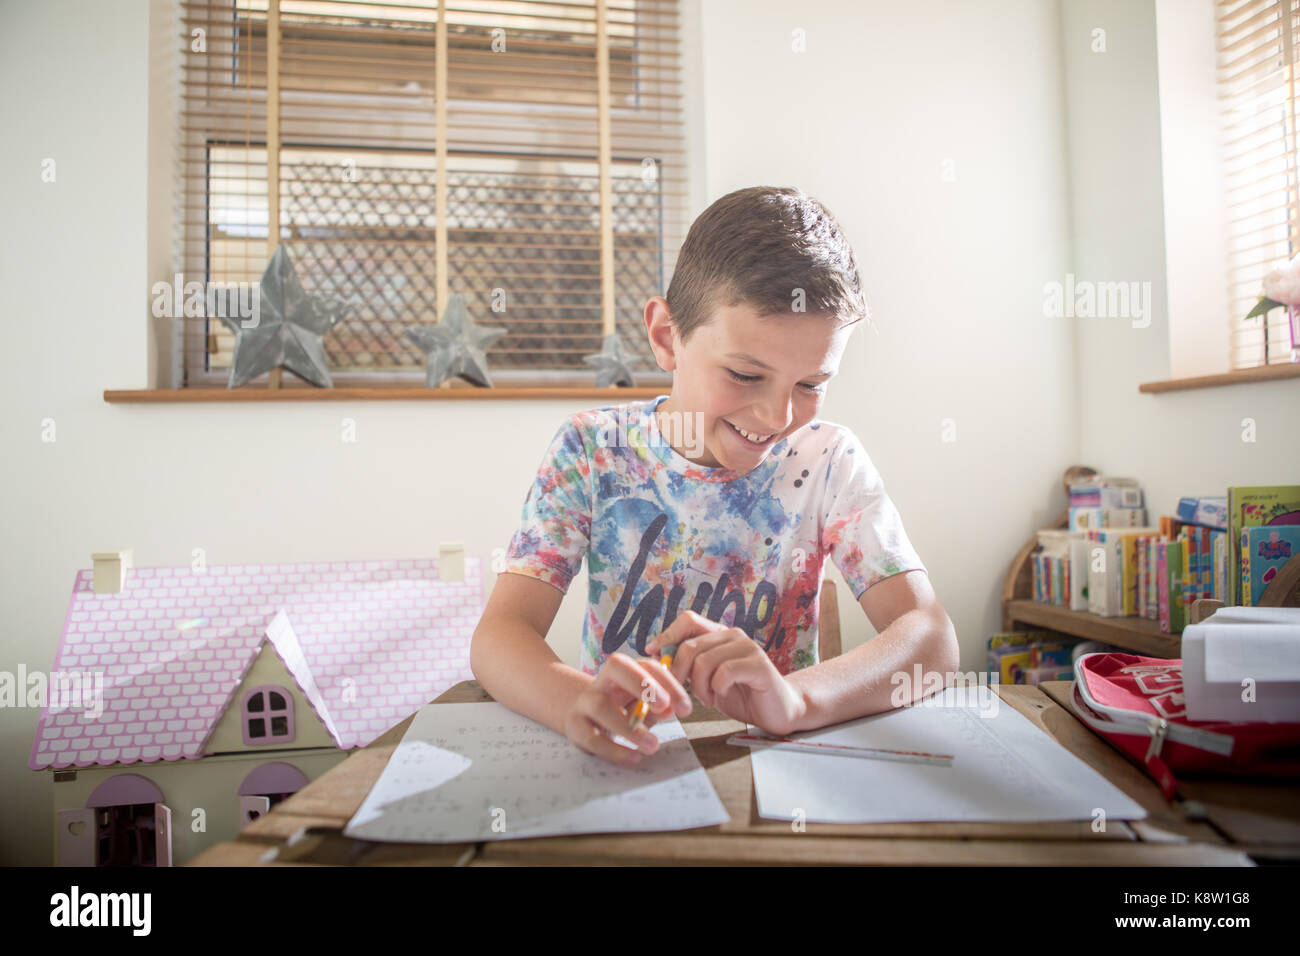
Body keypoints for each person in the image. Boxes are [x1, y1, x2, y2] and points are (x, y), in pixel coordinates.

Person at [470, 186, 958, 766]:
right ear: (665, 337)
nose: (778, 418)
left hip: (776, 771)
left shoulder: (829, 460)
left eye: (810, 385)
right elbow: (499, 636)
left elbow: (929, 637)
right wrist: (574, 702)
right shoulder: (593, 450)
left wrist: (796, 701)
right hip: (627, 761)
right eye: (745, 374)